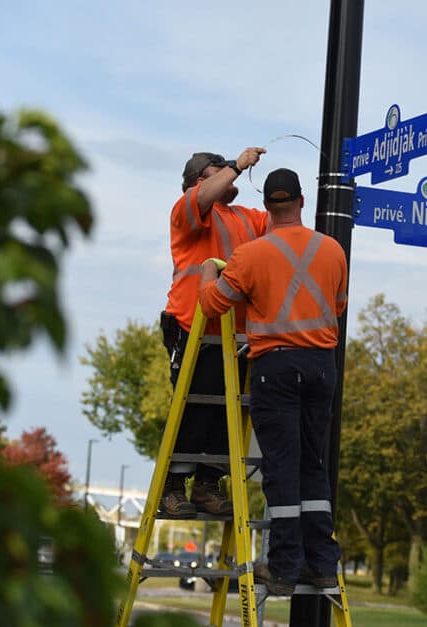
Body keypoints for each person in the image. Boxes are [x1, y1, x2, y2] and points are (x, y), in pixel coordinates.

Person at [198, 168, 347, 594]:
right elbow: (338, 304)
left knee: (281, 469)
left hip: (276, 368)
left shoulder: (249, 255)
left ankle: (282, 567)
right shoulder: (333, 250)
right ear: (302, 203)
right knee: (311, 465)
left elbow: (213, 305)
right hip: (321, 365)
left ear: (266, 207)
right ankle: (321, 563)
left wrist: (209, 271)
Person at [159, 147, 267, 518]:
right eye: (219, 170)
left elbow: (281, 230)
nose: (230, 176)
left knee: (225, 417)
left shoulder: (246, 218)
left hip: (234, 337)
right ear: (199, 179)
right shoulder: (187, 208)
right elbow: (204, 197)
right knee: (191, 412)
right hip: (194, 329)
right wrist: (237, 165)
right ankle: (172, 487)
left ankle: (207, 483)